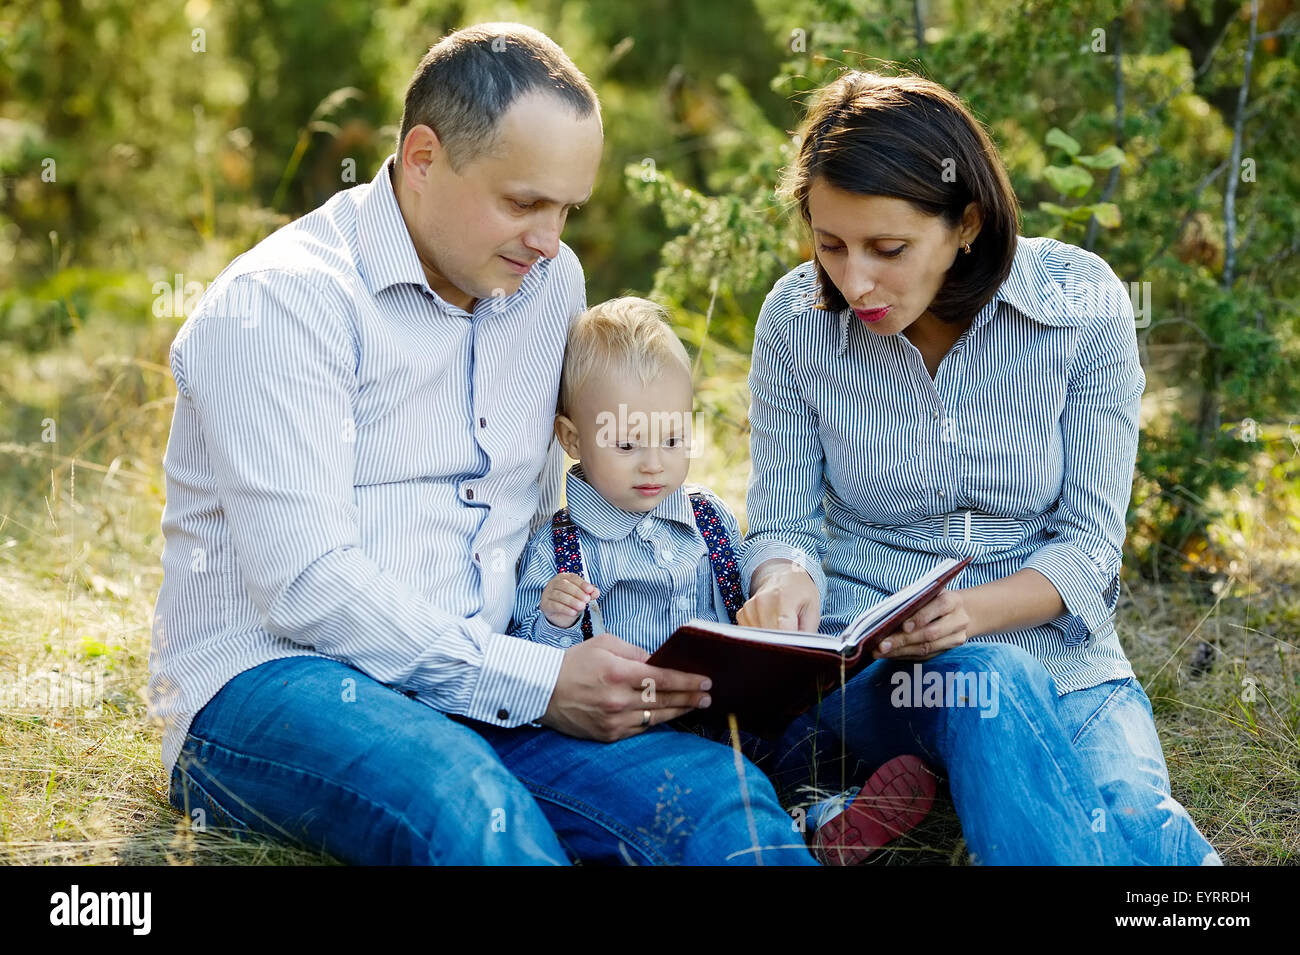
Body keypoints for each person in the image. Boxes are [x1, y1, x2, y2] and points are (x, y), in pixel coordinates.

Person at [149, 23, 809, 866]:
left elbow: (573, 477)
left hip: (497, 675)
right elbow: (306, 585)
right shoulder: (284, 303)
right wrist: (534, 682)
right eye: (524, 202)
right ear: (423, 158)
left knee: (723, 805)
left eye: (567, 208)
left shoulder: (547, 283)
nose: (550, 236)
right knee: (469, 802)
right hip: (280, 684)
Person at [734, 69, 1221, 865]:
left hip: (1063, 661)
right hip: (877, 676)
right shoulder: (796, 319)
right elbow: (786, 523)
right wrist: (784, 579)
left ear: (966, 223)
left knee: (1140, 824)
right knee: (987, 686)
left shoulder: (1081, 305)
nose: (853, 280)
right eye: (830, 245)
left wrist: (968, 615)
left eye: (887, 248)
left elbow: (1090, 549)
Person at [506, 295, 933, 863]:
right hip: (645, 729)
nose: (654, 463)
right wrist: (553, 617)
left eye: (673, 437)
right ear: (573, 438)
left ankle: (825, 811)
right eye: (628, 443)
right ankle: (805, 821)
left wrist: (774, 607)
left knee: (807, 734)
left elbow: (745, 583)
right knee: (721, 778)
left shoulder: (706, 516)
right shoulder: (559, 549)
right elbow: (540, 665)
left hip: (732, 711)